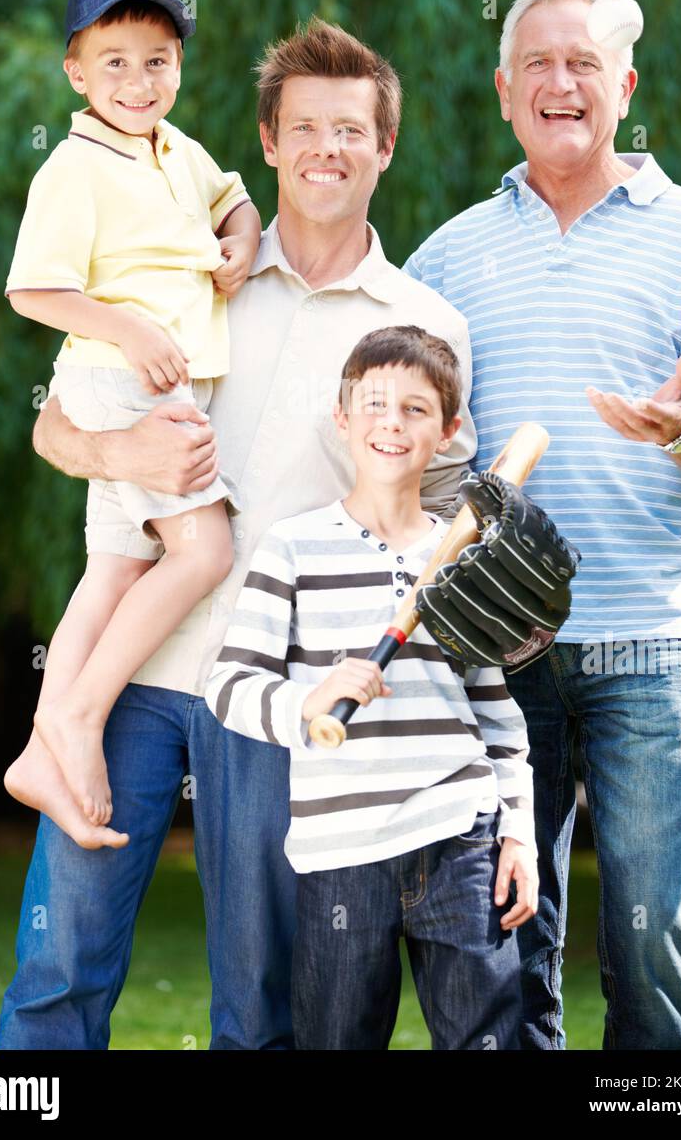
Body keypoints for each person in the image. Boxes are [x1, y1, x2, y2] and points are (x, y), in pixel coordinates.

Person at [0, 17, 480, 1050]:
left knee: (259, 999)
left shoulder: (423, 325)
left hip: (277, 695)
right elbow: (58, 418)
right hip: (136, 669)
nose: (325, 149)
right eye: (303, 127)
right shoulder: (190, 276)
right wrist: (117, 457)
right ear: (265, 142)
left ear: (384, 147)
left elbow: (434, 525)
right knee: (60, 967)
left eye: (350, 130)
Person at [404, 0, 681, 1050]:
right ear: (501, 87)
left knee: (653, 933)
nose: (558, 83)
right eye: (536, 64)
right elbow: (409, 449)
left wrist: (674, 430)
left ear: (622, 82)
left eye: (582, 63)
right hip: (494, 647)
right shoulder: (446, 256)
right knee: (507, 935)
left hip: (648, 642)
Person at [205, 325, 541, 1050]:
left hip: (460, 832)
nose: (393, 423)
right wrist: (309, 698)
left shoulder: (462, 559)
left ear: (449, 431)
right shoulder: (294, 546)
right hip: (341, 850)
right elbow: (229, 686)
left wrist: (518, 831)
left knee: (489, 1040)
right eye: (376, 404)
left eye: (417, 410)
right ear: (344, 418)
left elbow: (495, 714)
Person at [3, 0, 262, 843]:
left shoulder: (178, 152)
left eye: (158, 59)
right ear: (76, 71)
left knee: (115, 567)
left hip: (147, 381)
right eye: (114, 61)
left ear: (180, 68)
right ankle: (78, 715)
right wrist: (131, 328)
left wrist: (241, 240)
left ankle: (42, 744)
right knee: (202, 552)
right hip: (125, 382)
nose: (138, 79)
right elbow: (34, 290)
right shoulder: (73, 169)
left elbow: (235, 203)